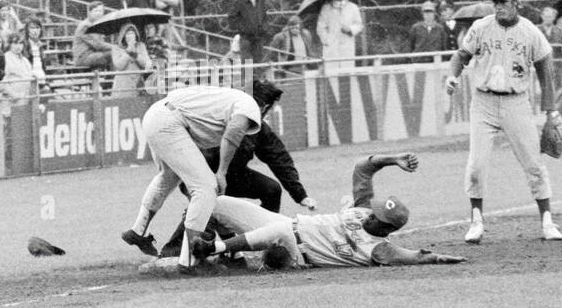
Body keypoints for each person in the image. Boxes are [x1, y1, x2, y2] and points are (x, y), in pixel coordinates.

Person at [445, 0, 562, 244]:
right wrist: (452, 76)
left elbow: (546, 72)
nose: (497, 7)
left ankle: (547, 221)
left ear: (515, 2)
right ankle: (476, 220)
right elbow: (460, 57)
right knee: (476, 165)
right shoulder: (481, 27)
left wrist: (551, 112)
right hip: (483, 103)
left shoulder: (531, 32)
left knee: (533, 163)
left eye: (502, 2)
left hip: (516, 103)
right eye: (494, 2)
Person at [193, 153, 465, 270]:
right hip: (290, 224)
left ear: (387, 229)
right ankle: (227, 254)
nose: (370, 213)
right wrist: (393, 159)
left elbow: (416, 257)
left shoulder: (381, 249)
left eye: (377, 216)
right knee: (219, 202)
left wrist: (441, 258)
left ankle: (212, 248)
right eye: (375, 210)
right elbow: (362, 168)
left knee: (280, 231)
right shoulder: (362, 210)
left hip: (294, 252)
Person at [157, 79, 316, 258]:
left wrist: (300, 194)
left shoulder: (258, 128)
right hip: (201, 176)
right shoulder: (217, 118)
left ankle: (264, 240)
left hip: (234, 177)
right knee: (207, 201)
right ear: (264, 107)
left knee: (271, 189)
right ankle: (176, 251)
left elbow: (278, 158)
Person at [121, 84, 264, 271]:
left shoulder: (228, 98)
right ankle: (188, 261)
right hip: (169, 122)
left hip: (158, 114)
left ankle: (138, 231)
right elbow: (233, 134)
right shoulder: (249, 107)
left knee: (168, 176)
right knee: (206, 187)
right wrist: (221, 172)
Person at [72, 2, 133, 74]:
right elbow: (98, 45)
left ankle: (112, 81)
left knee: (118, 53)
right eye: (96, 11)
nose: (99, 13)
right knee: (113, 54)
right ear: (90, 12)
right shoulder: (86, 26)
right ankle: (111, 82)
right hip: (83, 57)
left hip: (93, 54)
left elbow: (101, 43)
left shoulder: (96, 24)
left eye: (101, 11)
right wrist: (115, 47)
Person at [316, 0, 364, 71]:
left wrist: (350, 29)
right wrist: (327, 40)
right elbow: (320, 28)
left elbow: (359, 24)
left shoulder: (353, 7)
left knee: (347, 71)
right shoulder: (326, 8)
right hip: (332, 46)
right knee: (331, 72)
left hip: (347, 44)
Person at [227, 0, 269, 65]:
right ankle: (247, 79)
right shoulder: (240, 0)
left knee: (258, 60)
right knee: (247, 61)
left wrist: (264, 28)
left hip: (258, 36)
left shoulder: (261, 0)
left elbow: (265, 16)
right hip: (246, 37)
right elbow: (231, 17)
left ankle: (257, 79)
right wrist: (242, 28)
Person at [112, 23, 152, 96]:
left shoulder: (141, 46)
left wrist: (135, 55)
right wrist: (128, 51)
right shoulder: (116, 47)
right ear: (123, 36)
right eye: (127, 34)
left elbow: (146, 63)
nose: (130, 36)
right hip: (122, 83)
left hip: (137, 81)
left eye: (132, 33)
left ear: (135, 35)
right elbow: (119, 66)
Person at [1, 33, 39, 100]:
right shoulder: (5, 58)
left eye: (21, 43)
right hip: (12, 97)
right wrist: (14, 95)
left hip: (26, 96)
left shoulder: (25, 60)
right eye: (15, 43)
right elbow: (3, 82)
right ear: (10, 44)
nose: (18, 46)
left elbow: (30, 76)